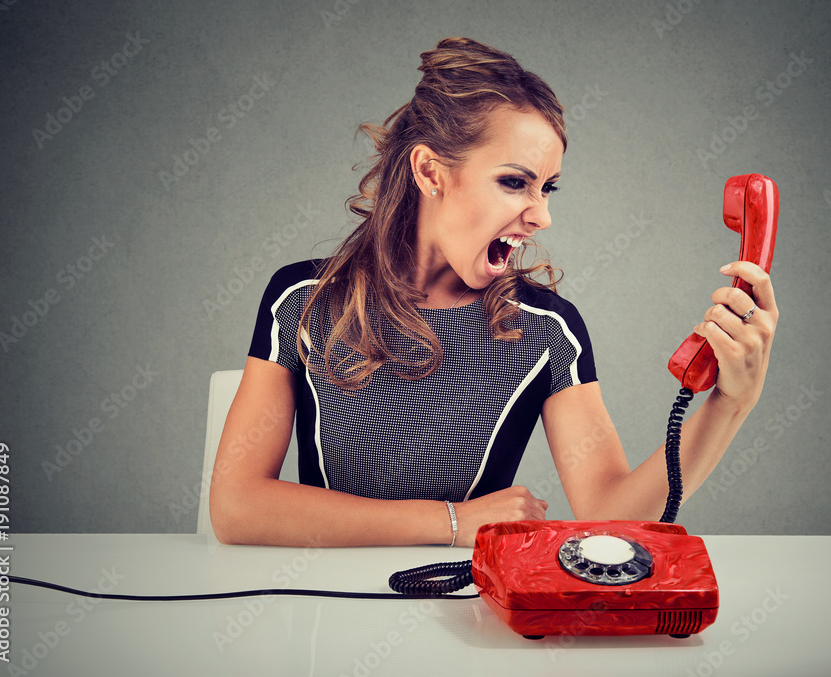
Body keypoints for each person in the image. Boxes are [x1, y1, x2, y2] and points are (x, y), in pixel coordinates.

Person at [209, 37, 778, 548]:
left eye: (548, 187)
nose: (542, 215)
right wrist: (453, 522)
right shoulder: (303, 298)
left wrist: (730, 403)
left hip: (468, 612)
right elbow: (236, 508)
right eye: (515, 182)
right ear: (431, 172)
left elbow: (611, 516)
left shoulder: (548, 331)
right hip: (323, 616)